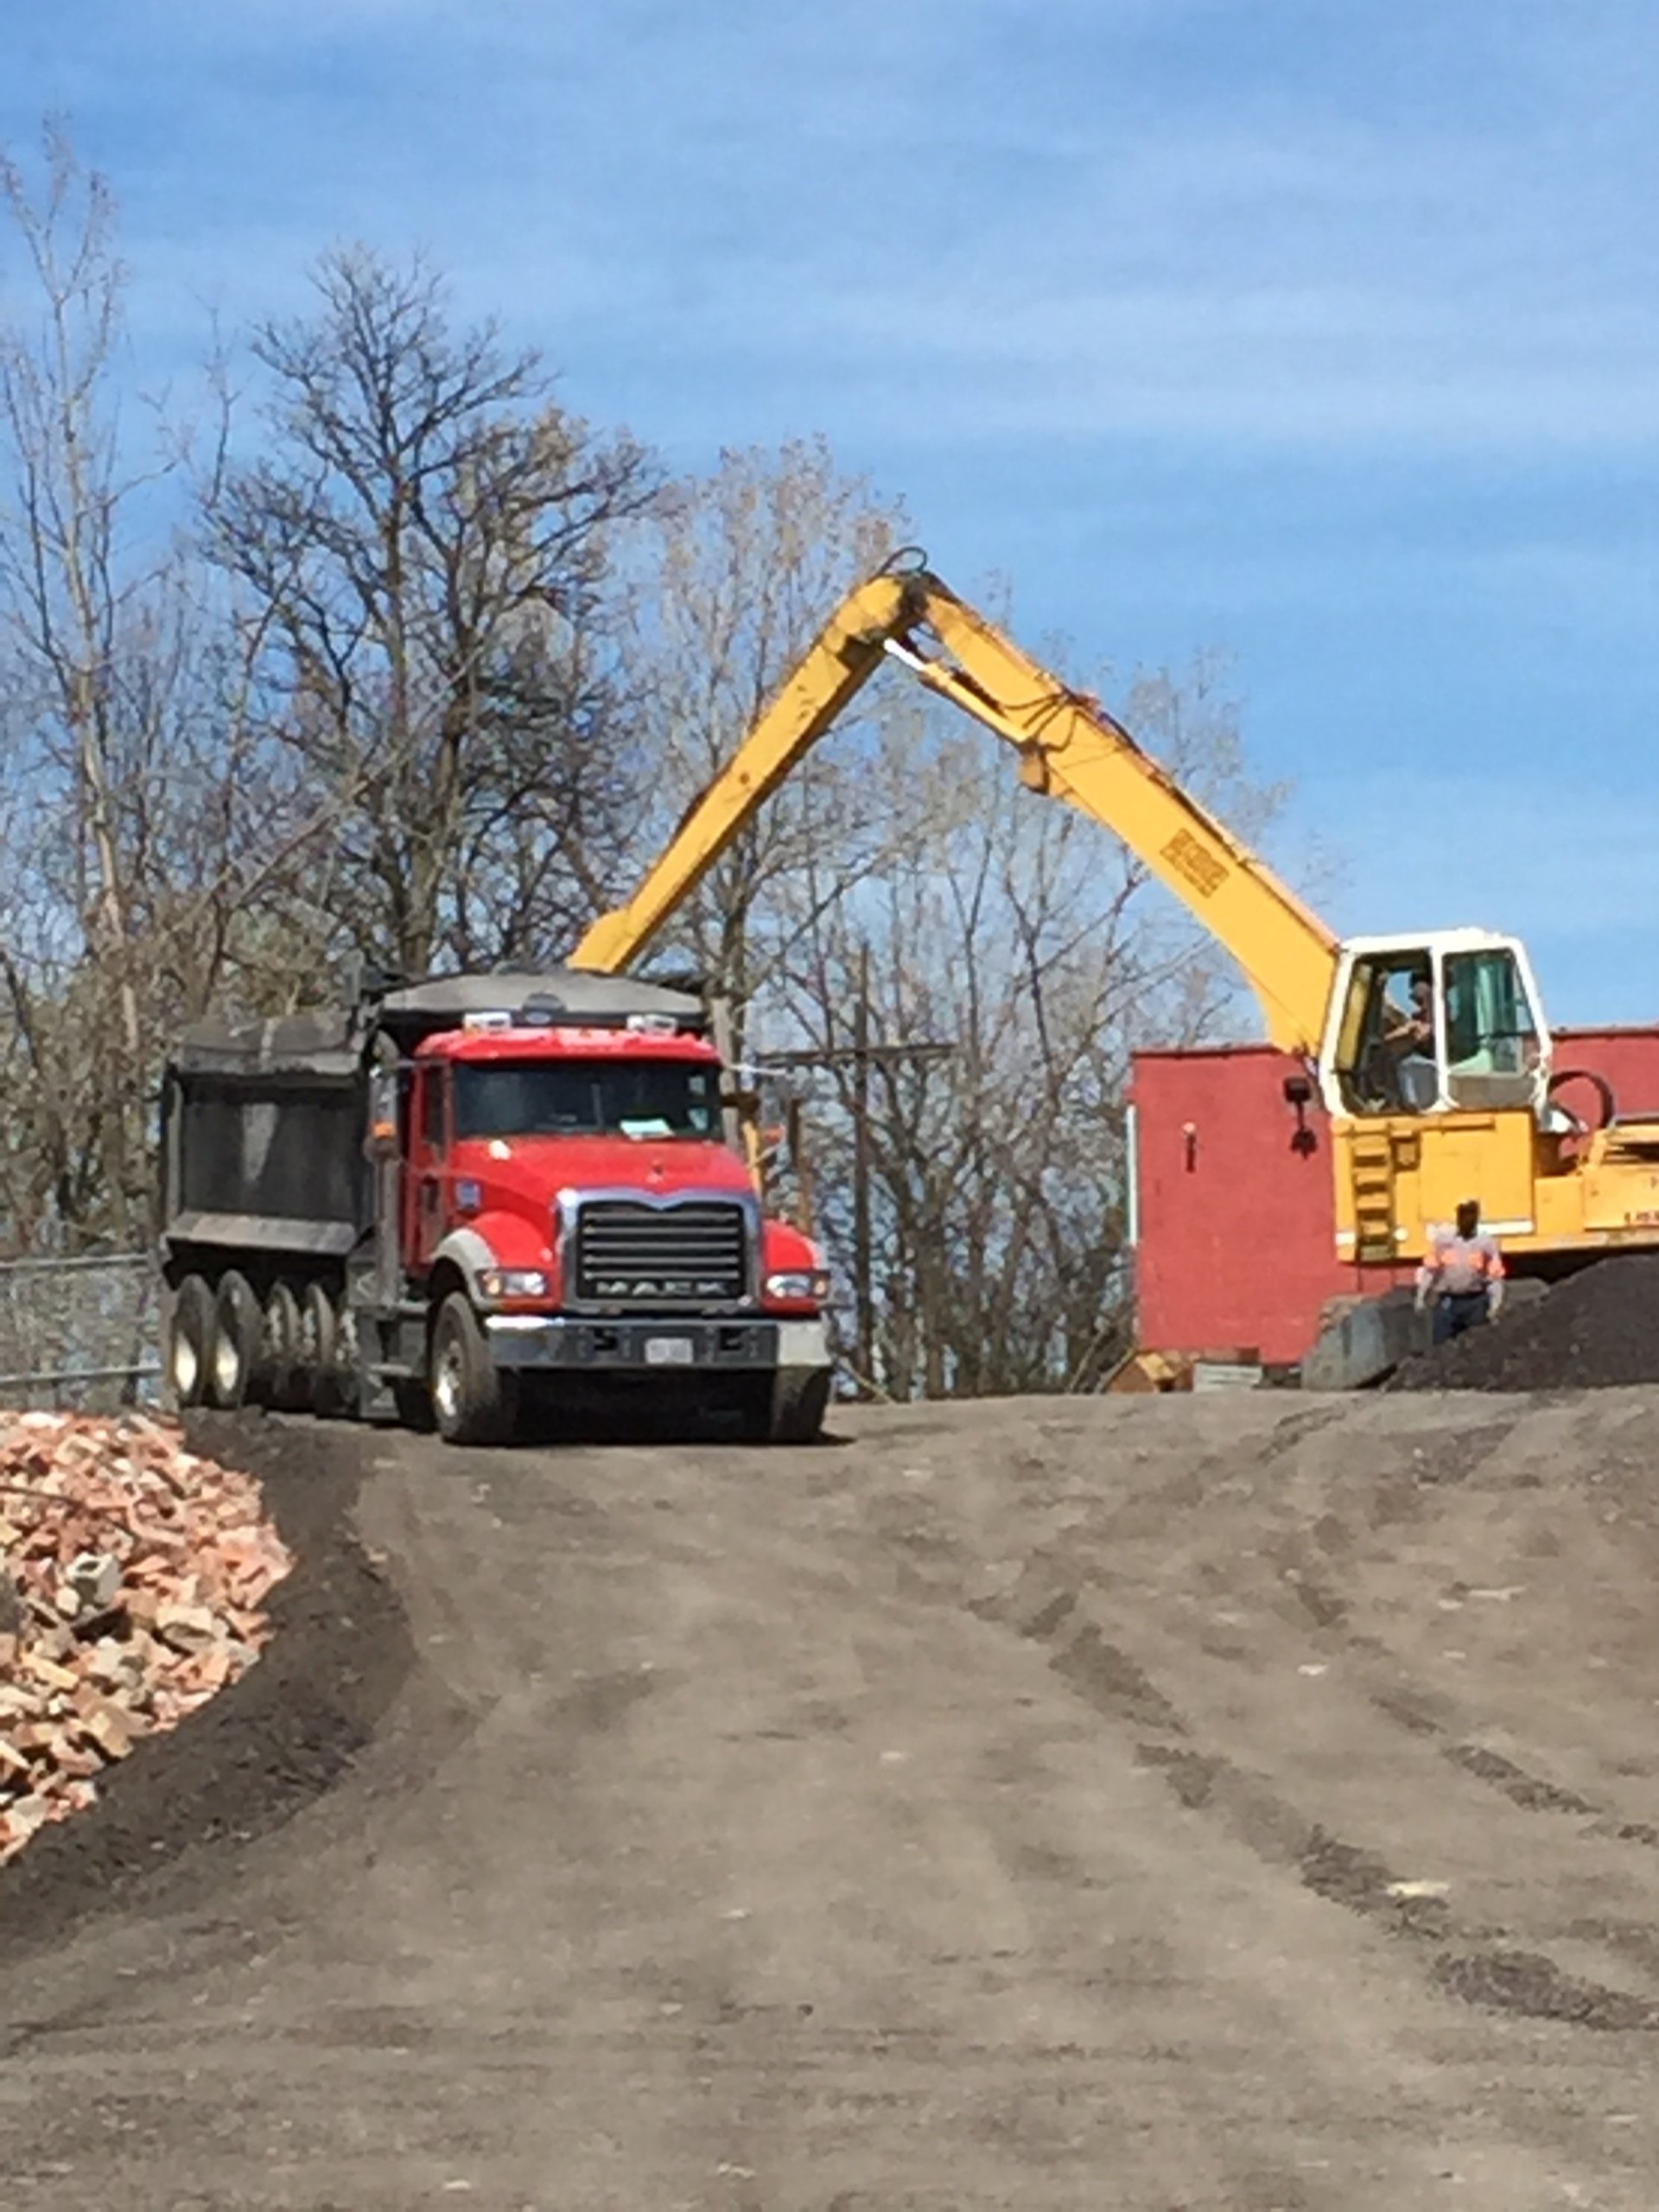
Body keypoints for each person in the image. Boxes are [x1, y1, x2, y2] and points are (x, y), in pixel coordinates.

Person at [1415, 1199, 1506, 1344]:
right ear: (1458, 1218)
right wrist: (1421, 1297)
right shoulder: (1444, 1243)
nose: (1467, 1220)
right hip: (1449, 1302)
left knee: (1478, 1344)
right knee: (1442, 1345)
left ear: (1476, 1218)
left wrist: (1495, 1305)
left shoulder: (1485, 1244)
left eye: (1471, 1215)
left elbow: (1494, 1278)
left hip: (1475, 1301)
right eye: (1463, 1215)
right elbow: (1430, 1271)